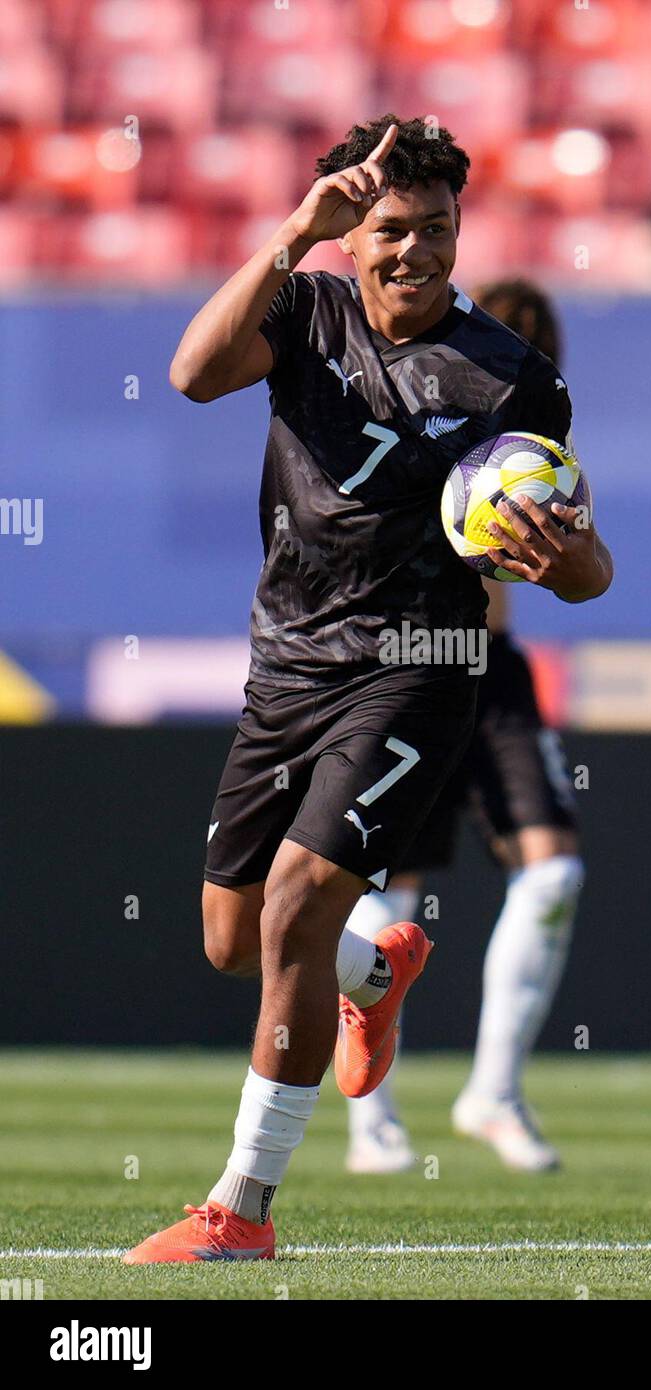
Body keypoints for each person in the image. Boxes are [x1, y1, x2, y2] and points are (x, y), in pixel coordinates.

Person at [123, 116, 612, 1263]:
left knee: (296, 900)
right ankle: (372, 970)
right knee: (231, 938)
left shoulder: (512, 380)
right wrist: (294, 233)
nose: (414, 252)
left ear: (459, 230)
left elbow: (590, 564)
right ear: (354, 235)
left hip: (418, 671)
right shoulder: (305, 310)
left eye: (436, 229)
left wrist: (564, 560)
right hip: (287, 661)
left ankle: (240, 1210)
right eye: (389, 229)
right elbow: (192, 375)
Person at [345, 280, 585, 1176]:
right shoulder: (418, 424)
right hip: (412, 664)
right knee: (387, 895)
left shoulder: (533, 445)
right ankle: (374, 1122)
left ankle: (493, 1091)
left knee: (554, 867)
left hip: (498, 676)